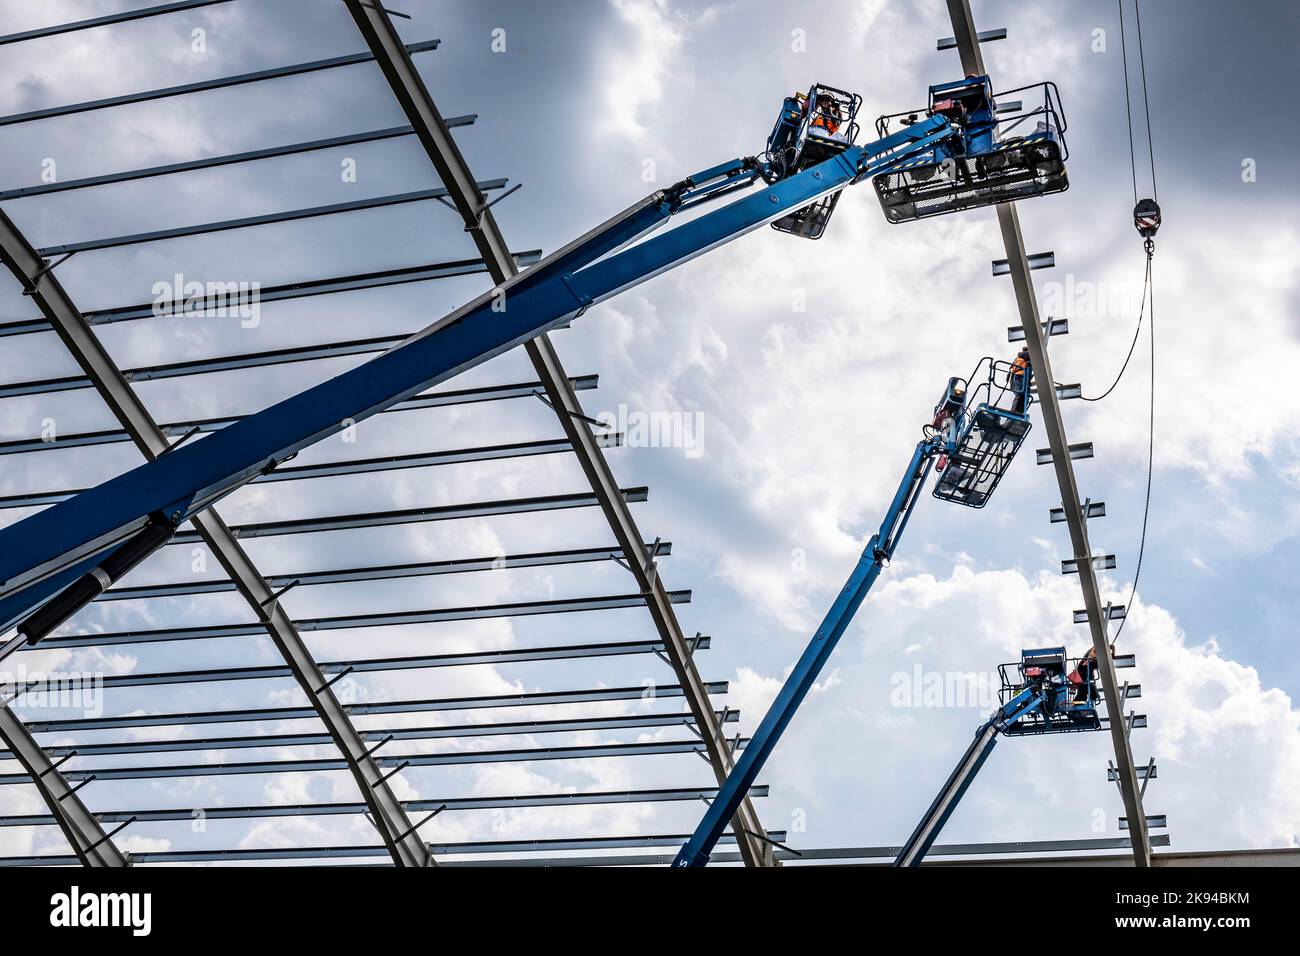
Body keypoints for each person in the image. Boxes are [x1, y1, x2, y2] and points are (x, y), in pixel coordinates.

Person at [1009, 346, 1032, 414]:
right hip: (1019, 377)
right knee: (1020, 394)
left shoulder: (1021, 357)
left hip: (1017, 378)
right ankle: (1015, 410)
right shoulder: (1026, 355)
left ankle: (1019, 411)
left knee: (1023, 395)